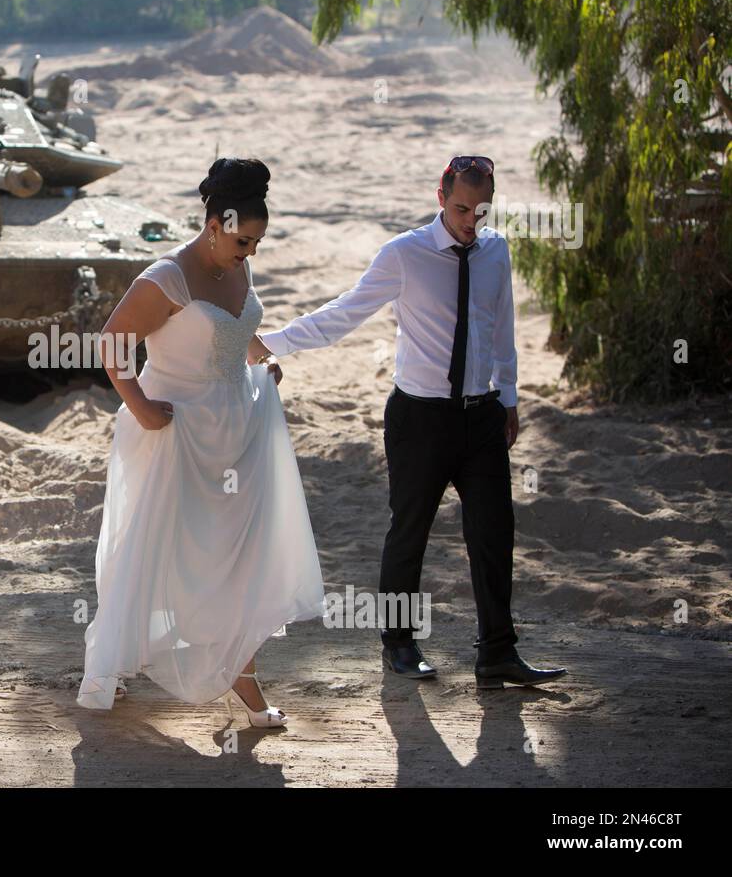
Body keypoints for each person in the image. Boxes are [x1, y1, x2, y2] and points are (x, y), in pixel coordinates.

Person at [256, 156, 566, 689]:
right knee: (410, 532)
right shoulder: (404, 254)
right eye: (463, 208)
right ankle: (399, 644)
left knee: (494, 535)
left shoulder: (496, 251)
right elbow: (345, 312)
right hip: (420, 418)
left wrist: (509, 399)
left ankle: (497, 653)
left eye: (482, 209)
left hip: (482, 416)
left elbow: (502, 328)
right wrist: (270, 343)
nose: (472, 220)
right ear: (441, 197)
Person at [76, 157, 326, 727]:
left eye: (257, 243)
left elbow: (234, 327)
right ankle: (114, 661)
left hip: (240, 429)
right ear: (214, 225)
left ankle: (241, 675)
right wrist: (139, 407)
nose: (251, 253)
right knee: (159, 553)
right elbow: (113, 343)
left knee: (241, 559)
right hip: (179, 434)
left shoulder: (235, 264)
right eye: (243, 241)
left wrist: (259, 358)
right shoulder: (164, 278)